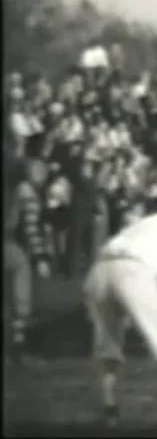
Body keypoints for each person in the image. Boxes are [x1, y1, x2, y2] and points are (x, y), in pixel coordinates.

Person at [82, 177, 157, 427]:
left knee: (107, 344)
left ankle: (109, 410)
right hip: (132, 270)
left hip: (99, 269)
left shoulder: (134, 227)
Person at [5, 146, 51, 363]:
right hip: (12, 246)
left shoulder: (15, 190)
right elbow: (30, 227)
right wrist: (40, 256)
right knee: (20, 299)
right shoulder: (27, 193)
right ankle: (16, 347)